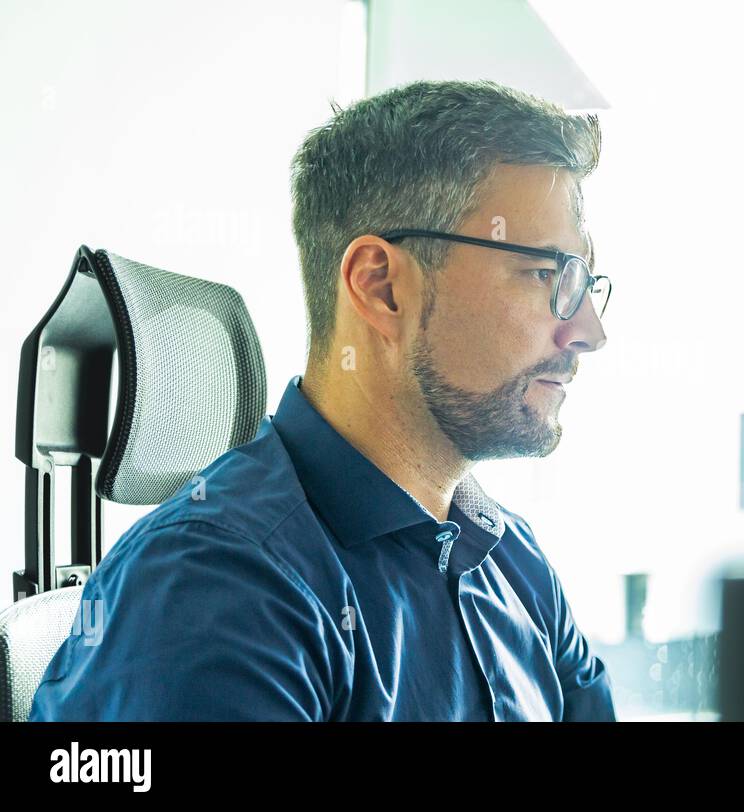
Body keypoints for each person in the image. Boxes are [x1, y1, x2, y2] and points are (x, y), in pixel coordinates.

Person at [29, 79, 614, 721]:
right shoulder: (217, 590)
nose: (588, 331)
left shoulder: (512, 560)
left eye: (586, 283)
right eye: (546, 276)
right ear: (382, 287)